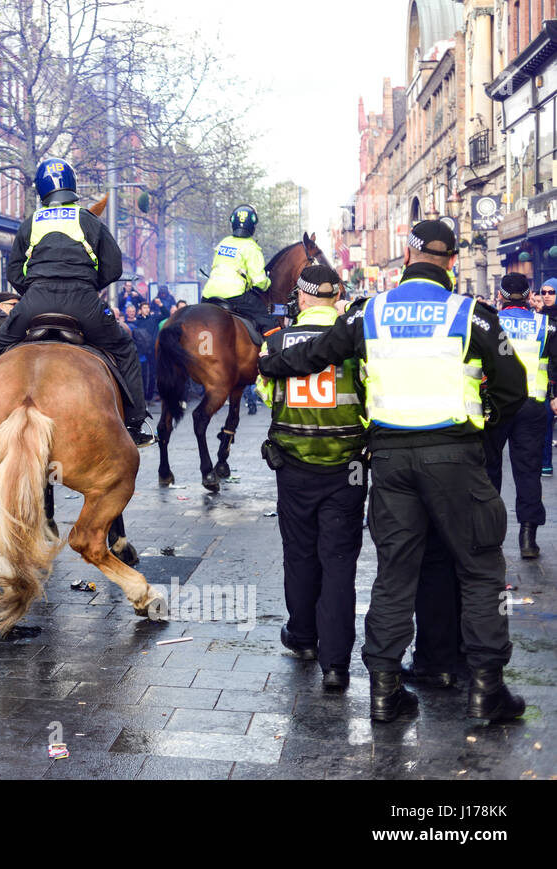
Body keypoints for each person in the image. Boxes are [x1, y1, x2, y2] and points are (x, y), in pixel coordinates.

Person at [259, 220, 528, 722]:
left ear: (406, 258)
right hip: (453, 454)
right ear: (450, 262)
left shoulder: (370, 312)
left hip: (388, 459)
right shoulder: (471, 314)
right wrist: (483, 431)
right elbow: (514, 386)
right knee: (480, 569)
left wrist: (271, 365)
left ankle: (384, 690)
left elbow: (318, 353)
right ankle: (487, 688)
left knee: (394, 571)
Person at [0, 158, 151, 446]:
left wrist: (32, 290)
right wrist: (90, 286)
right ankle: (135, 423)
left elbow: (14, 272)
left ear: (42, 190)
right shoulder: (89, 219)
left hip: (36, 302)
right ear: (72, 186)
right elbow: (113, 268)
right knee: (124, 347)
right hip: (84, 303)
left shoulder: (31, 222)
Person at [254, 266, 367, 690]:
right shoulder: (354, 341)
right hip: (347, 467)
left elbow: (267, 395)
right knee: (339, 562)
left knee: (299, 553)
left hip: (294, 465)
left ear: (301, 299)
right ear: (337, 297)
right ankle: (336, 665)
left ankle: (303, 637)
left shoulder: (275, 342)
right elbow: (371, 398)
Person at [486, 273, 557, 560]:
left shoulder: (489, 324)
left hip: (496, 405)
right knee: (528, 472)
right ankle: (528, 537)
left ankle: (490, 537)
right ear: (530, 296)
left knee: (489, 471)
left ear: (501, 296)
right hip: (531, 406)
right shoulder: (546, 325)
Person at [201, 204, 279, 339]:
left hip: (208, 294)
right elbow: (259, 282)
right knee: (268, 320)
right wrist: (268, 283)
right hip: (235, 295)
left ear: (233, 222)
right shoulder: (251, 247)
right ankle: (271, 354)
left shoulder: (223, 242)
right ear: (253, 226)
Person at [540, 277, 557, 476]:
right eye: (543, 292)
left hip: (553, 381)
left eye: (551, 292)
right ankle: (546, 463)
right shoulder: (539, 317)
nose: (546, 296)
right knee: (544, 425)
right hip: (545, 381)